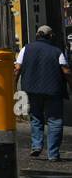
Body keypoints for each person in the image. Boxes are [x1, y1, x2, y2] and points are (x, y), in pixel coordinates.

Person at [16, 24, 72, 160]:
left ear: (37, 35)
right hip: (53, 91)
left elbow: (17, 69)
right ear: (50, 36)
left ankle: (36, 146)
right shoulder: (56, 51)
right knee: (54, 121)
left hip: (32, 90)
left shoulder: (26, 49)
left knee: (36, 118)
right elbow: (66, 71)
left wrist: (13, 87)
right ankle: (52, 154)